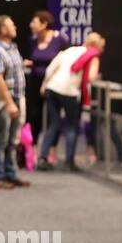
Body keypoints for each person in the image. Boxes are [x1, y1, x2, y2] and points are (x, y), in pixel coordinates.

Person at [70, 32, 122, 168]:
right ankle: (112, 156)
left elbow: (90, 76)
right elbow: (92, 76)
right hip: (97, 97)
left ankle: (105, 156)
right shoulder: (94, 55)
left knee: (102, 127)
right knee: (104, 127)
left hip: (97, 97)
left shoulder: (90, 55)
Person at [0, 15, 29, 190]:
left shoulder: (12, 48)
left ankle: (10, 173)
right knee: (0, 139)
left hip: (16, 97)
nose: (15, 26)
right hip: (4, 101)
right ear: (2, 30)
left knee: (13, 139)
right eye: (11, 25)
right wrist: (9, 103)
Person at [37, 35, 94, 170]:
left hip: (53, 87)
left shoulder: (68, 51)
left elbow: (50, 69)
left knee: (53, 124)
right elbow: (89, 77)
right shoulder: (90, 55)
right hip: (70, 91)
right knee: (71, 126)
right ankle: (69, 161)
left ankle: (42, 158)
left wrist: (44, 85)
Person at [25, 10, 69, 151]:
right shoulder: (32, 40)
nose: (31, 25)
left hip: (53, 83)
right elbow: (33, 58)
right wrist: (30, 63)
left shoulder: (59, 39)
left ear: (44, 24)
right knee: (33, 113)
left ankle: (51, 148)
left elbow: (65, 59)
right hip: (35, 81)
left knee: (53, 116)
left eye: (34, 22)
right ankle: (33, 146)